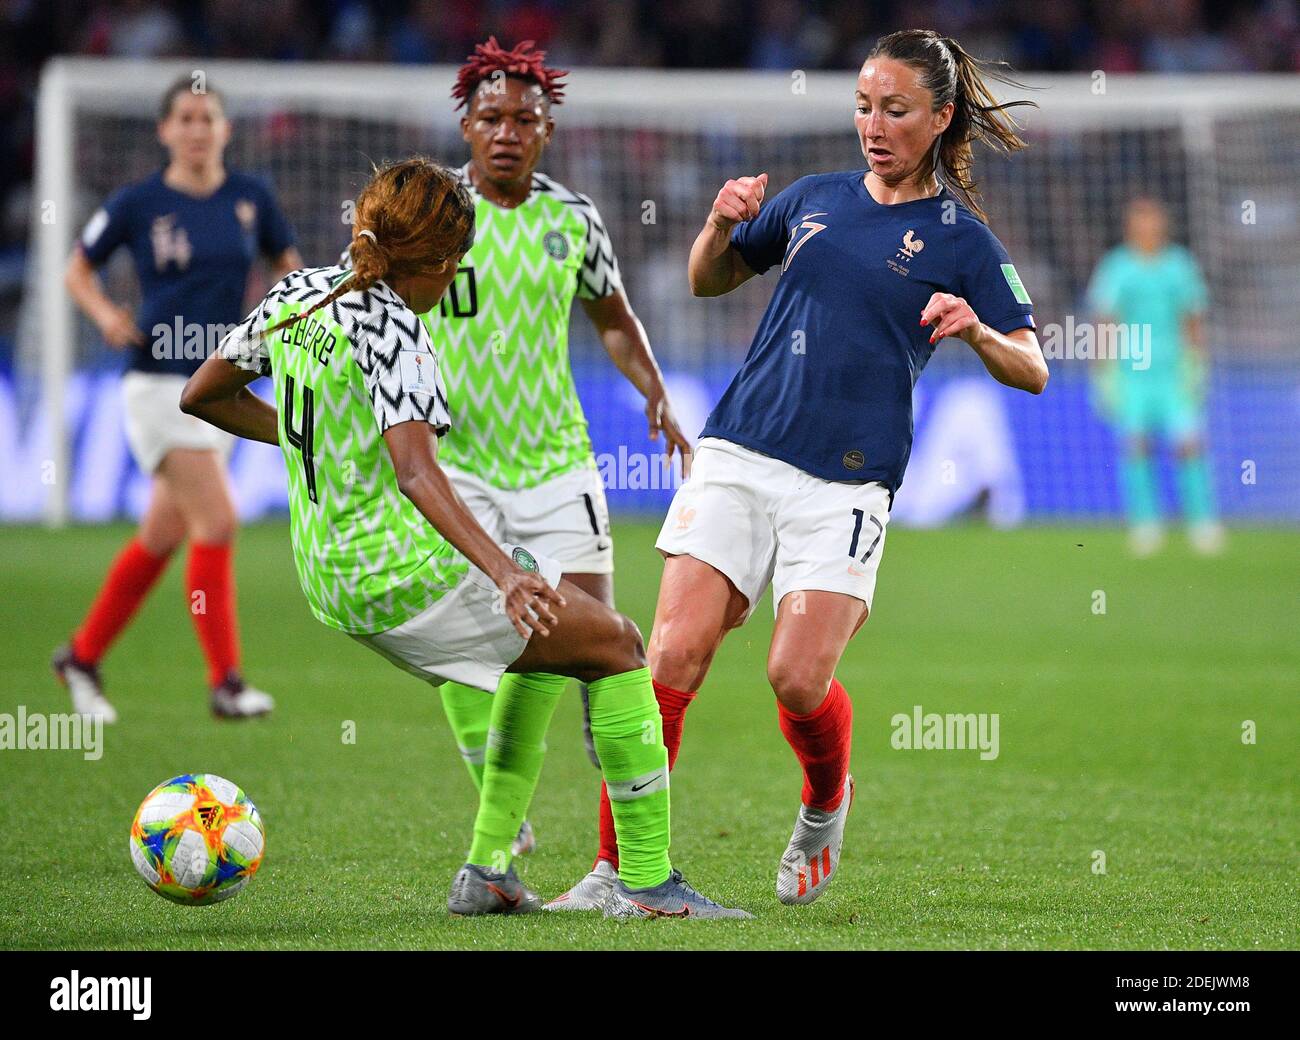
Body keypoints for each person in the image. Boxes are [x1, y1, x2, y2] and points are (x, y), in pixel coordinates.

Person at [550, 28, 1049, 910]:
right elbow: (710, 281)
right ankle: (614, 872)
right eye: (863, 105)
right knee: (668, 655)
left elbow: (1033, 366)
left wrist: (975, 330)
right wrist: (715, 223)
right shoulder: (815, 199)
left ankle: (825, 801)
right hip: (740, 450)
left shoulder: (962, 240)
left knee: (796, 676)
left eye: (895, 109)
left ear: (939, 117)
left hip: (848, 483)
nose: (874, 124)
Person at [180, 157, 746, 919]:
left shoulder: (297, 294)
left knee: (549, 641)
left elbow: (202, 394)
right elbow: (418, 475)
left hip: (325, 571)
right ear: (442, 263)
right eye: (458, 259)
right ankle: (647, 883)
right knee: (616, 644)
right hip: (398, 573)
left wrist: (314, 441)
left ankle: (490, 870)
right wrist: (504, 575)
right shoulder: (400, 337)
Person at [407, 37, 690, 859]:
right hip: (457, 467)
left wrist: (655, 391)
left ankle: (611, 832)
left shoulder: (573, 220)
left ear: (547, 131)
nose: (506, 131)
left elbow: (613, 318)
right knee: (483, 652)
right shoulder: (428, 214)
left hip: (557, 461)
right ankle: (500, 823)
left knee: (595, 642)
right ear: (465, 125)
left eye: (523, 119)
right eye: (490, 117)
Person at [54, 76, 302, 721]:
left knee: (162, 535)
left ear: (225, 128)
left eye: (207, 117)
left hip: (221, 384)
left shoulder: (252, 197)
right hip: (158, 384)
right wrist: (107, 315)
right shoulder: (137, 202)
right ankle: (227, 683)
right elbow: (77, 269)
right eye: (185, 118)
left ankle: (81, 658)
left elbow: (289, 269)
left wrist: (287, 320)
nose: (197, 129)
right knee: (217, 520)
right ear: (165, 130)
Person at [1087, 197, 1222, 556]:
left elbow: (1191, 319)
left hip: (1173, 372)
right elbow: (1105, 323)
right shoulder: (1117, 267)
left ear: (1162, 225)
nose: (1146, 228)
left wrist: (1197, 365)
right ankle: (1146, 524)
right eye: (1139, 222)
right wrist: (1103, 373)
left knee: (1189, 444)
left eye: (1152, 221)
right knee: (1136, 445)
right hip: (1132, 375)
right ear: (1131, 227)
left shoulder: (1179, 265)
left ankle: (1202, 522)